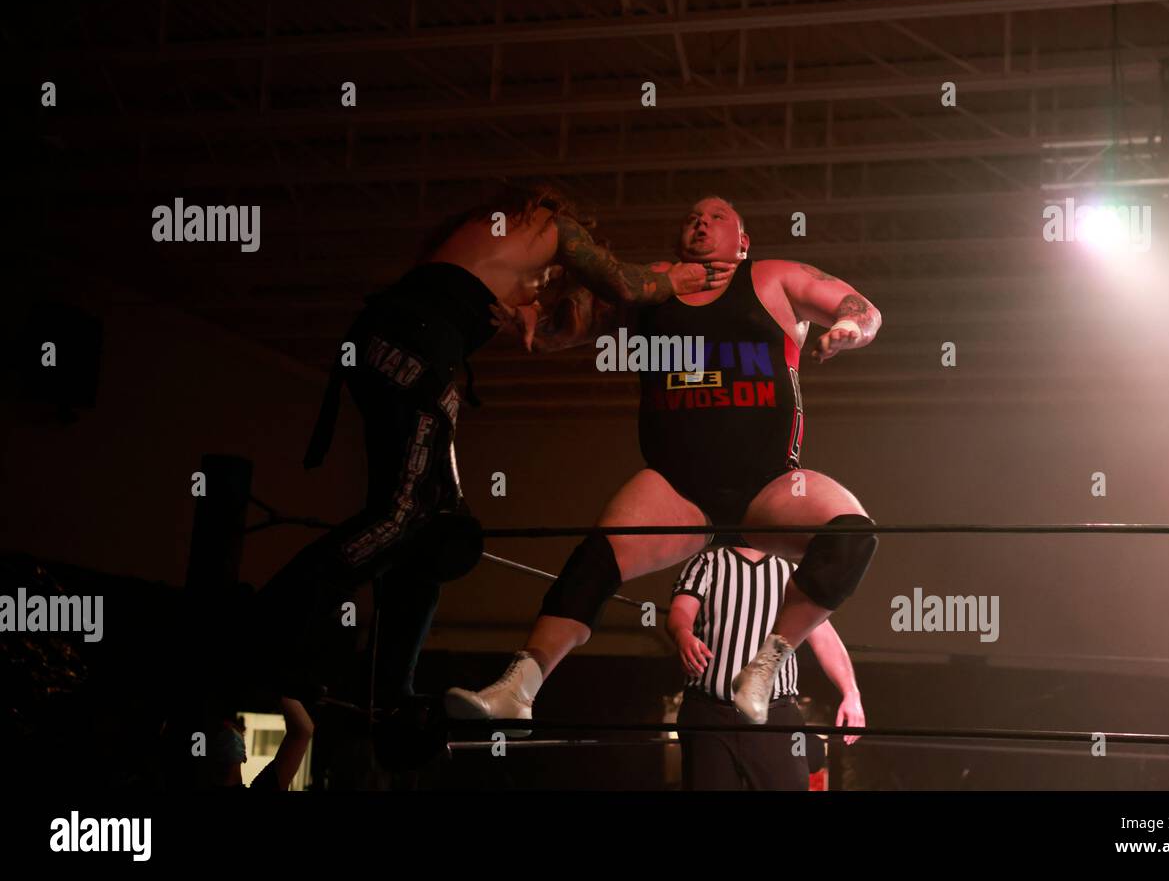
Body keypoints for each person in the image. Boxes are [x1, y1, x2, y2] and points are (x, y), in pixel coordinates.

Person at [249, 184, 737, 714]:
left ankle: (391, 691)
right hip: (415, 347)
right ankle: (266, 627)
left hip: (392, 346)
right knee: (402, 514)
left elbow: (551, 325)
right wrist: (680, 277)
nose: (542, 282)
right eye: (548, 276)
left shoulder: (490, 234)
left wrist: (536, 324)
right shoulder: (553, 225)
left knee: (436, 527)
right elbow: (623, 284)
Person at [446, 195, 883, 726]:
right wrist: (531, 321)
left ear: (742, 242)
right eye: (692, 215)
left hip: (769, 485)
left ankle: (768, 662)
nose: (701, 221)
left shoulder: (773, 278)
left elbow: (859, 306)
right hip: (678, 486)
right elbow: (574, 323)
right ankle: (520, 685)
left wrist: (848, 329)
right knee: (596, 558)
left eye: (717, 216)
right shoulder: (652, 283)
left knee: (852, 534)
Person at [670, 544, 864, 790]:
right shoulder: (708, 564)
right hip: (710, 713)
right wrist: (682, 633)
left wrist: (851, 693)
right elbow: (680, 610)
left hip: (774, 716)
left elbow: (825, 638)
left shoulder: (791, 574)